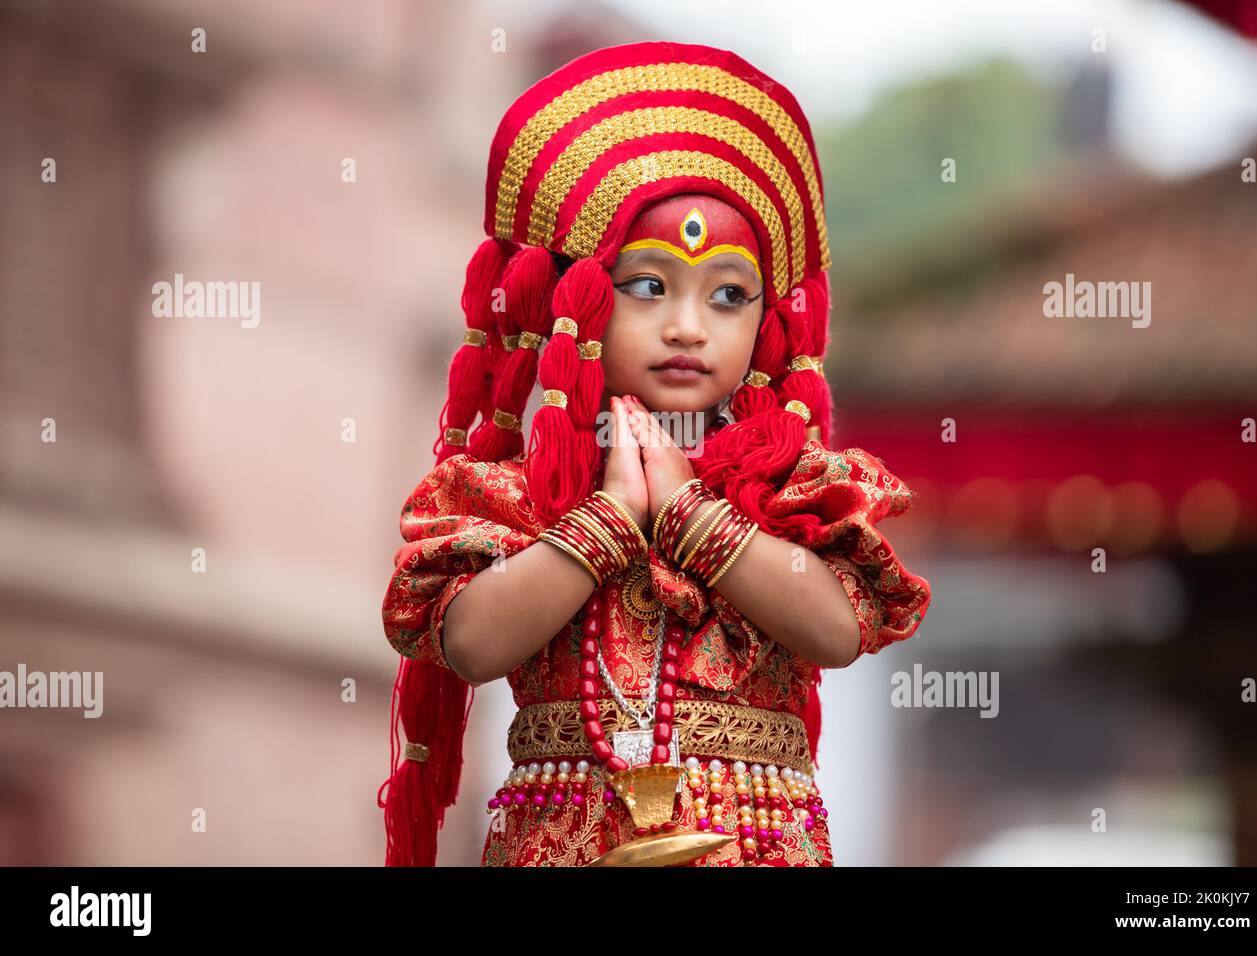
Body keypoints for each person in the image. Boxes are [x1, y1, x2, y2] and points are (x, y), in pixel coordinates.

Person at [378, 40, 932, 867]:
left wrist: (692, 516)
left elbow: (838, 629)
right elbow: (470, 643)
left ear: (765, 322)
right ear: (580, 302)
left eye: (729, 296)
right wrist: (610, 518)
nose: (687, 326)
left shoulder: (792, 490)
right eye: (648, 287)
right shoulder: (519, 495)